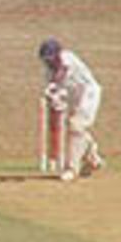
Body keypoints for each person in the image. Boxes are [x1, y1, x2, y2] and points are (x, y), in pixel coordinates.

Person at [38, 38, 104, 182]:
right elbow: (57, 94)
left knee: (76, 126)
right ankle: (92, 158)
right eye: (46, 60)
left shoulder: (68, 57)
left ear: (58, 54)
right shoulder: (48, 74)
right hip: (74, 98)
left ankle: (72, 169)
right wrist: (54, 100)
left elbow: (62, 71)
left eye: (51, 58)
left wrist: (54, 86)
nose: (49, 62)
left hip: (88, 93)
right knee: (75, 128)